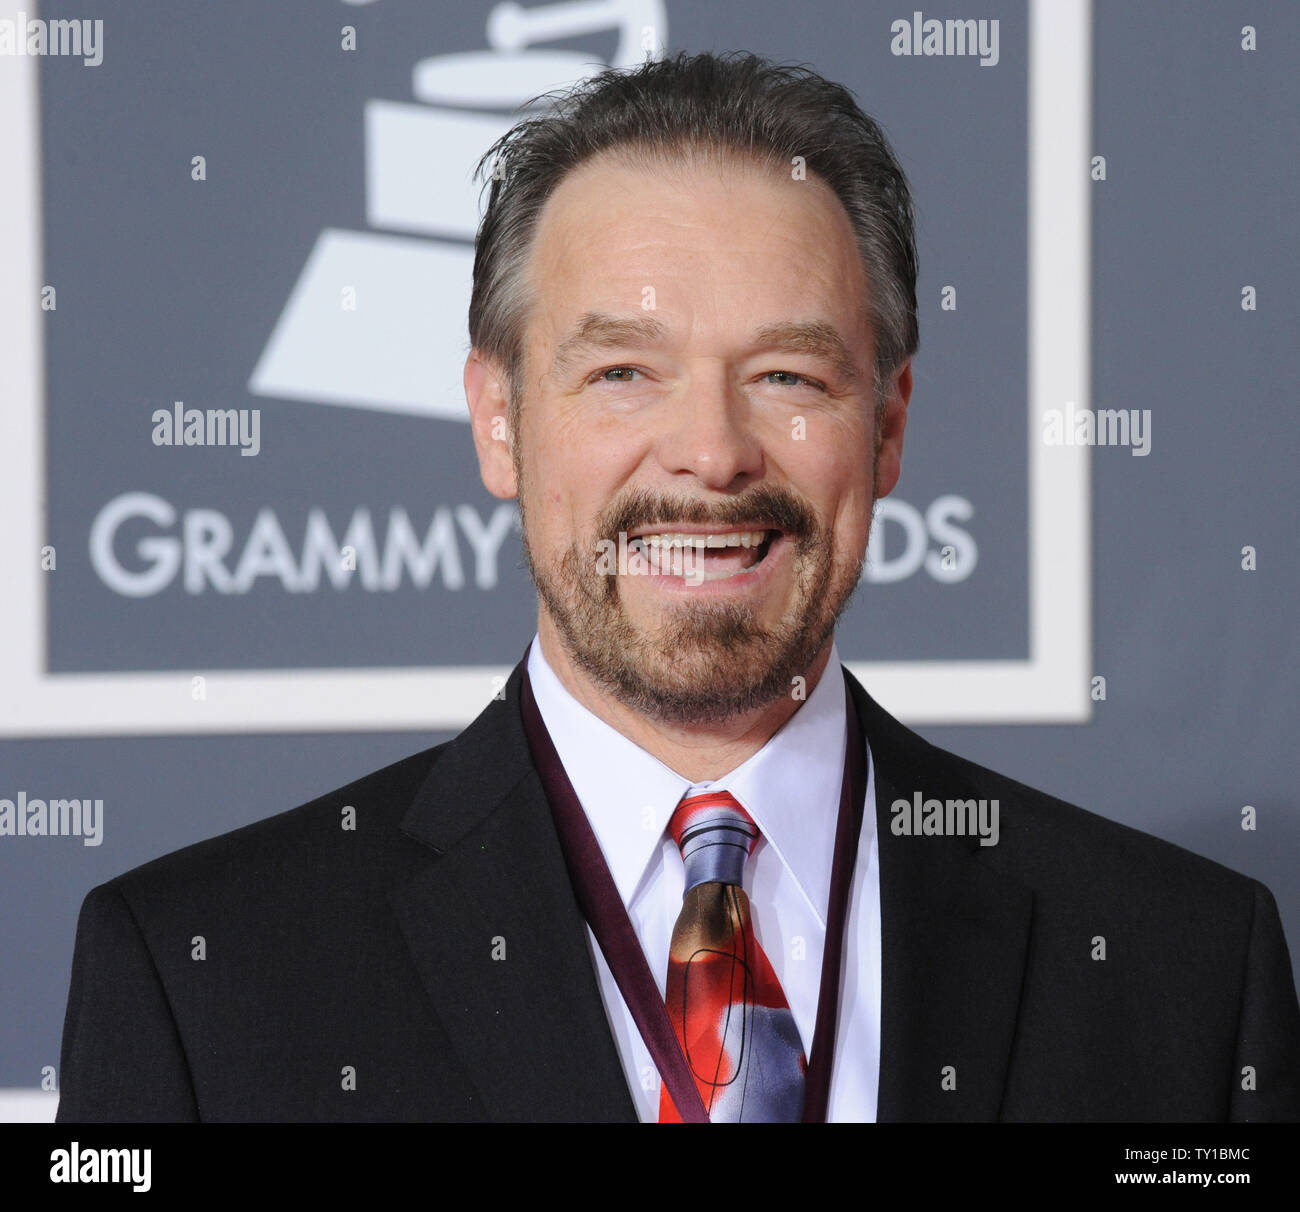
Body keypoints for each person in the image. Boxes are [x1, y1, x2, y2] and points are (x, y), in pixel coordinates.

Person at [56, 51, 1299, 1123]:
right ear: (499, 422)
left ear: (888, 426)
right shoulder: (202, 979)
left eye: (788, 376)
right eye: (623, 373)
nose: (711, 452)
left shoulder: (1180, 971)